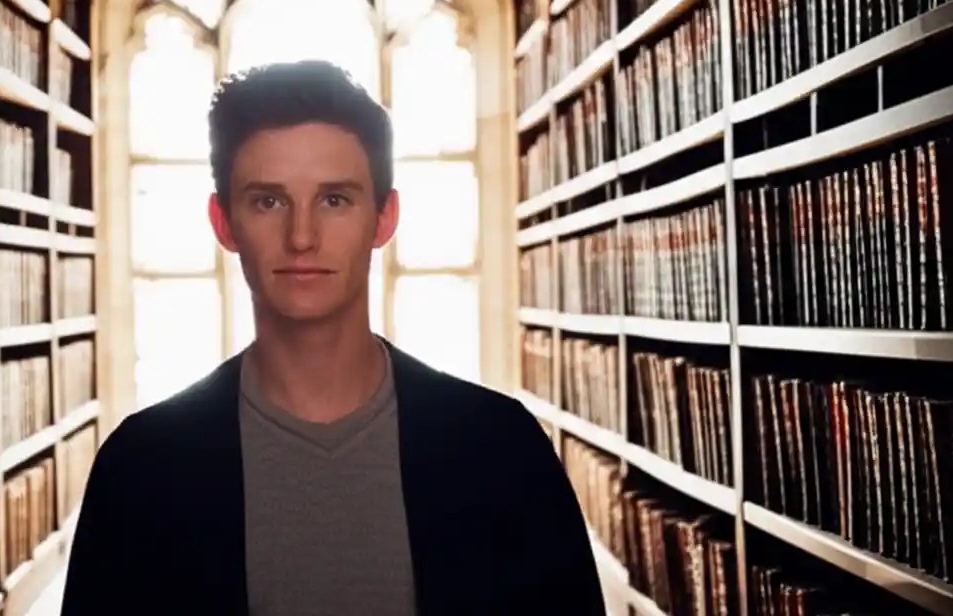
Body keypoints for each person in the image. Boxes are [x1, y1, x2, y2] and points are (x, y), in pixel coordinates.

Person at [60, 60, 605, 614]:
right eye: (268, 201)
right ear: (223, 223)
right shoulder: (138, 470)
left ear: (384, 218)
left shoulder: (504, 450)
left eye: (335, 200)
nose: (302, 237)